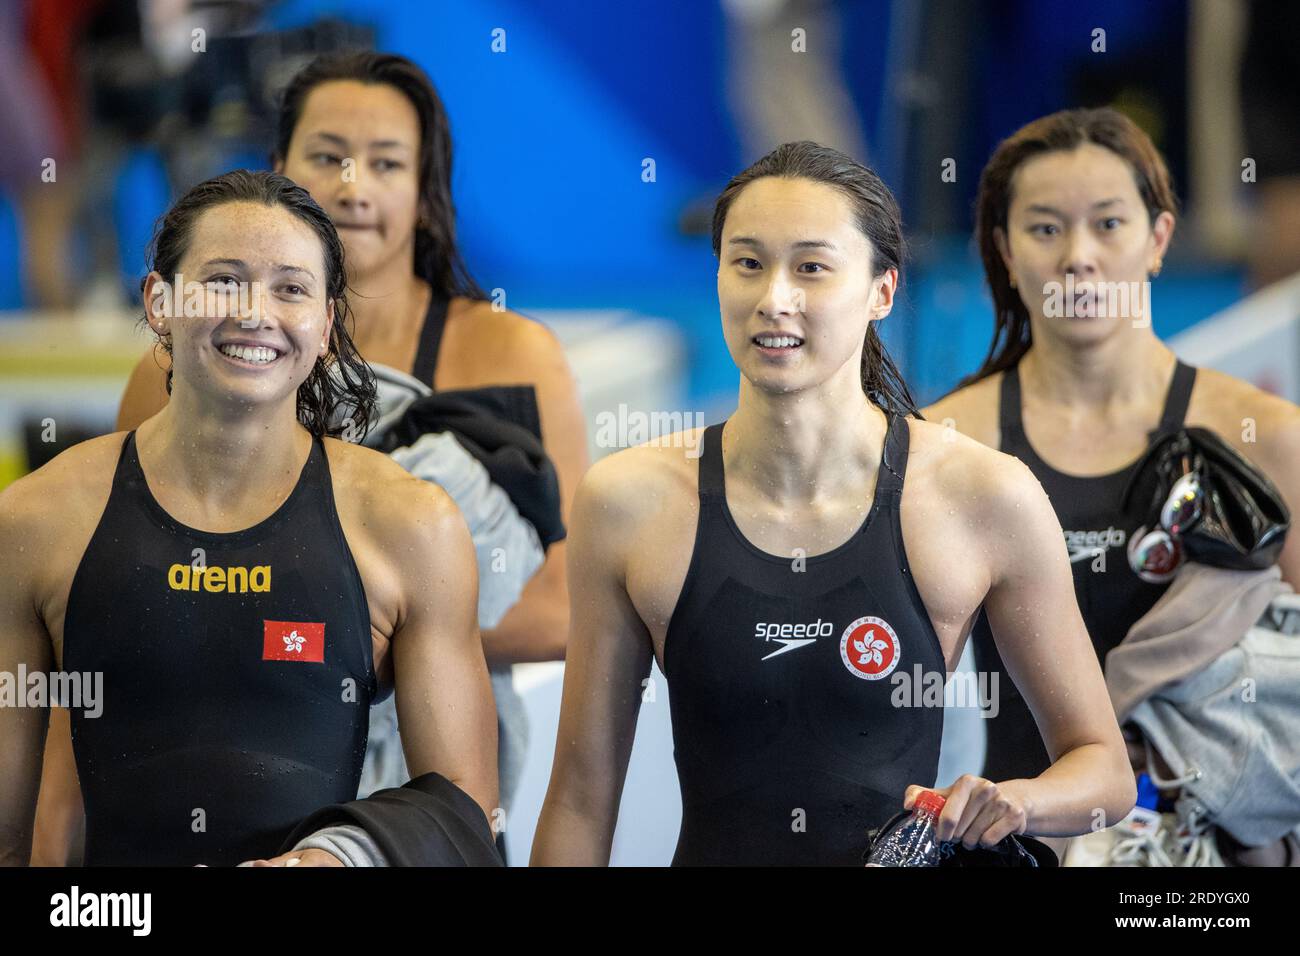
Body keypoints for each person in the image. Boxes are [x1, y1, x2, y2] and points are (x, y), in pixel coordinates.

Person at [32, 52, 584, 863]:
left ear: (426, 194)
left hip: (415, 731)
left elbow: (565, 608)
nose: (354, 184)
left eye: (387, 163)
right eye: (327, 156)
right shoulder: (161, 387)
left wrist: (350, 633)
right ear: (280, 169)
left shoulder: (507, 354)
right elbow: (102, 629)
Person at [531, 141, 1135, 866]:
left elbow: (1103, 769)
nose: (773, 298)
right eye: (747, 263)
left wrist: (1020, 801)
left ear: (882, 291)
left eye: (812, 267)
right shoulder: (628, 502)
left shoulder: (983, 496)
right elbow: (580, 796)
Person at [0, 170, 497, 866]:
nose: (255, 313)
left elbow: (468, 817)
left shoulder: (408, 525)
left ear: (325, 324)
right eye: (223, 280)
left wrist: (341, 858)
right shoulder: (37, 521)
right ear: (159, 300)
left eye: (291, 289)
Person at [923, 107, 1300, 785]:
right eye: (1044, 228)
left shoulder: (1267, 436)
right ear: (1006, 252)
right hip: (1003, 842)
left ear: (1157, 240)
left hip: (1198, 860)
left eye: (1108, 223)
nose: (1078, 256)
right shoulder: (945, 446)